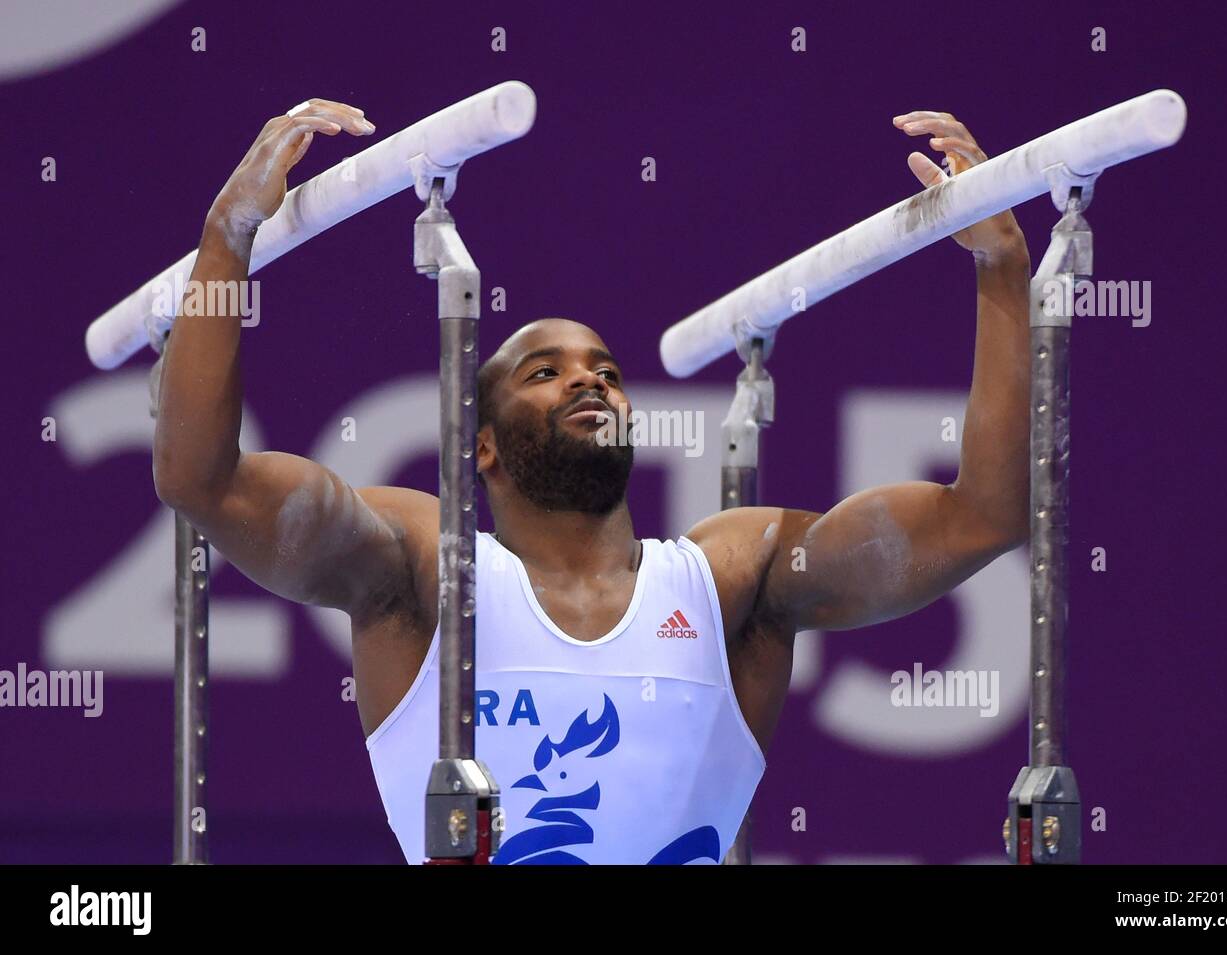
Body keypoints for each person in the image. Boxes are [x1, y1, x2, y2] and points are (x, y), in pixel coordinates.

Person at [152, 98, 1031, 864]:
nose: (588, 380)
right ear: (483, 447)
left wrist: (1002, 271)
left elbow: (985, 515)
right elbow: (201, 481)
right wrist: (227, 237)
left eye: (605, 370)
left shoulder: (732, 577)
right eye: (545, 371)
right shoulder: (427, 571)